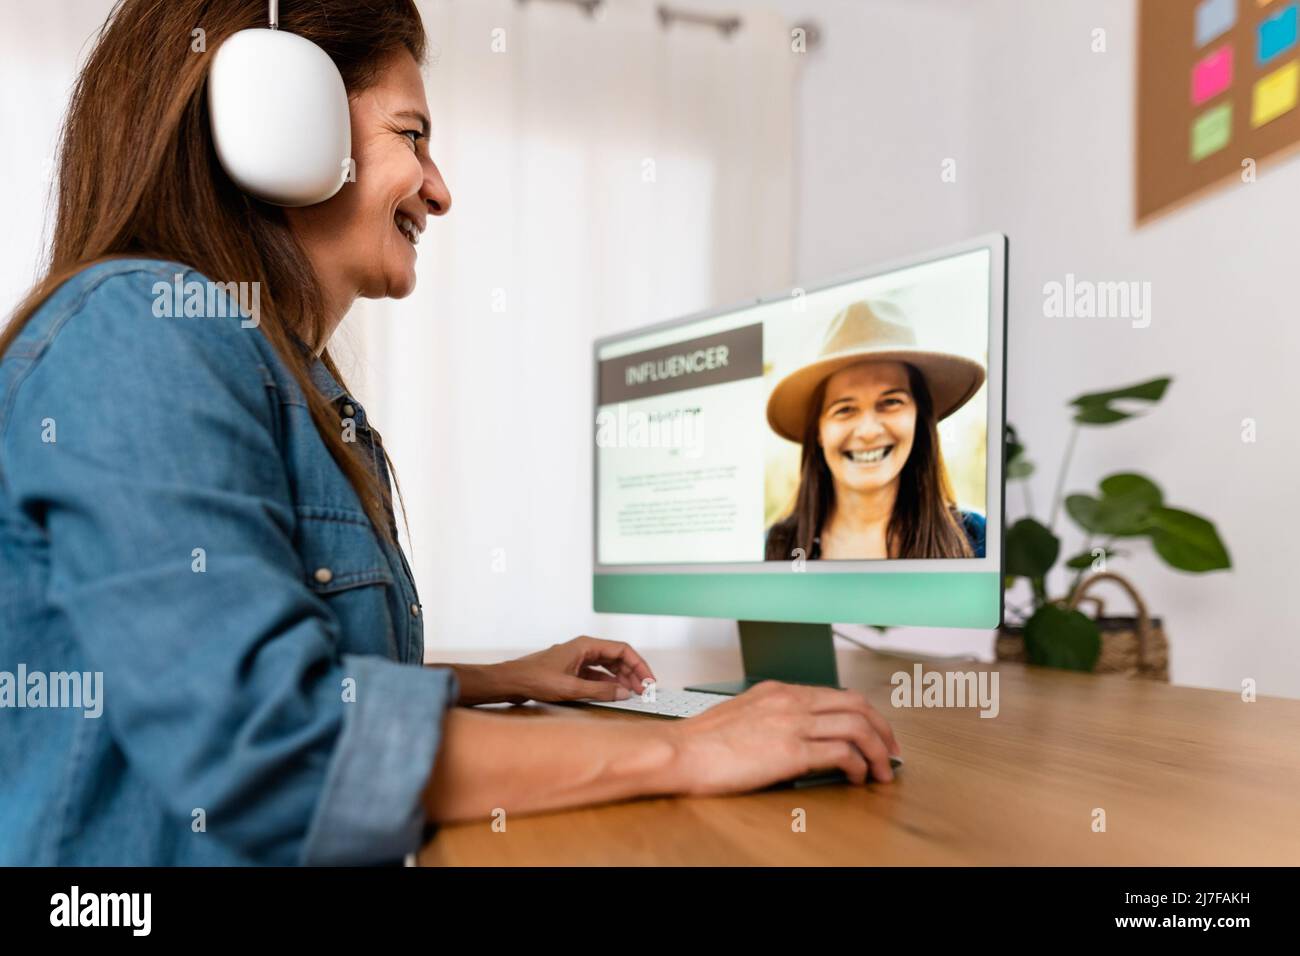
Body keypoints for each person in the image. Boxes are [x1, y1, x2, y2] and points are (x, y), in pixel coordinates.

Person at [0, 0, 899, 866]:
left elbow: (265, 664)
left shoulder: (276, 373)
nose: (439, 190)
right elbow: (265, 742)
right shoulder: (144, 332)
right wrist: (691, 751)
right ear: (275, 117)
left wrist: (495, 679)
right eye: (412, 136)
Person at [765, 299, 987, 561]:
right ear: (819, 430)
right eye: (844, 409)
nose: (868, 431)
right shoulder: (774, 548)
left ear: (919, 416)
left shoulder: (975, 538)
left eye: (891, 402)